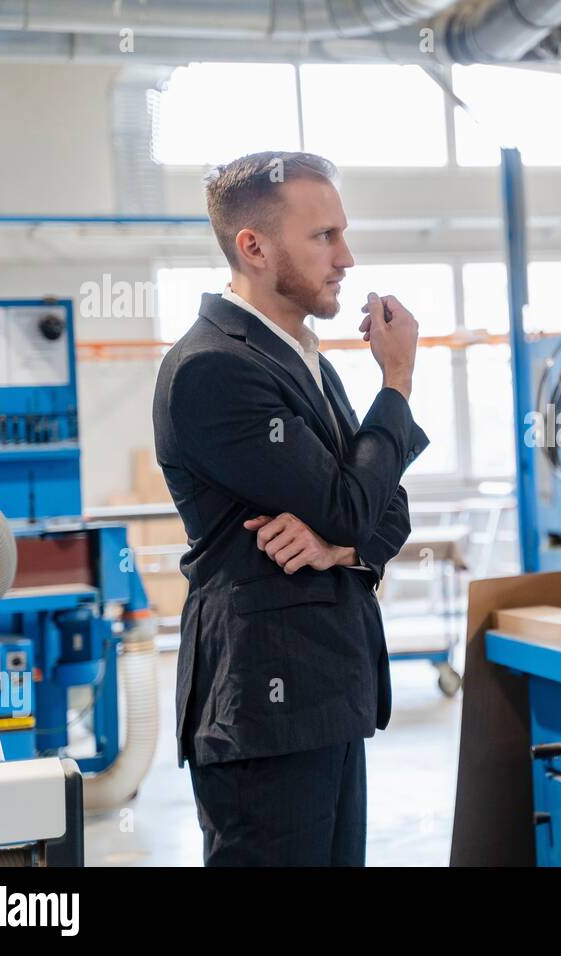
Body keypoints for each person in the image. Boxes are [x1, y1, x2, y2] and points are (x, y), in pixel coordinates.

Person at [152, 151, 428, 865]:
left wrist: (341, 545)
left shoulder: (307, 360)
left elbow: (383, 512)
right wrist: (395, 381)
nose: (347, 257)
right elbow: (350, 503)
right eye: (324, 238)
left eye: (343, 233)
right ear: (254, 246)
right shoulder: (213, 368)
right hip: (263, 708)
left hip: (329, 695)